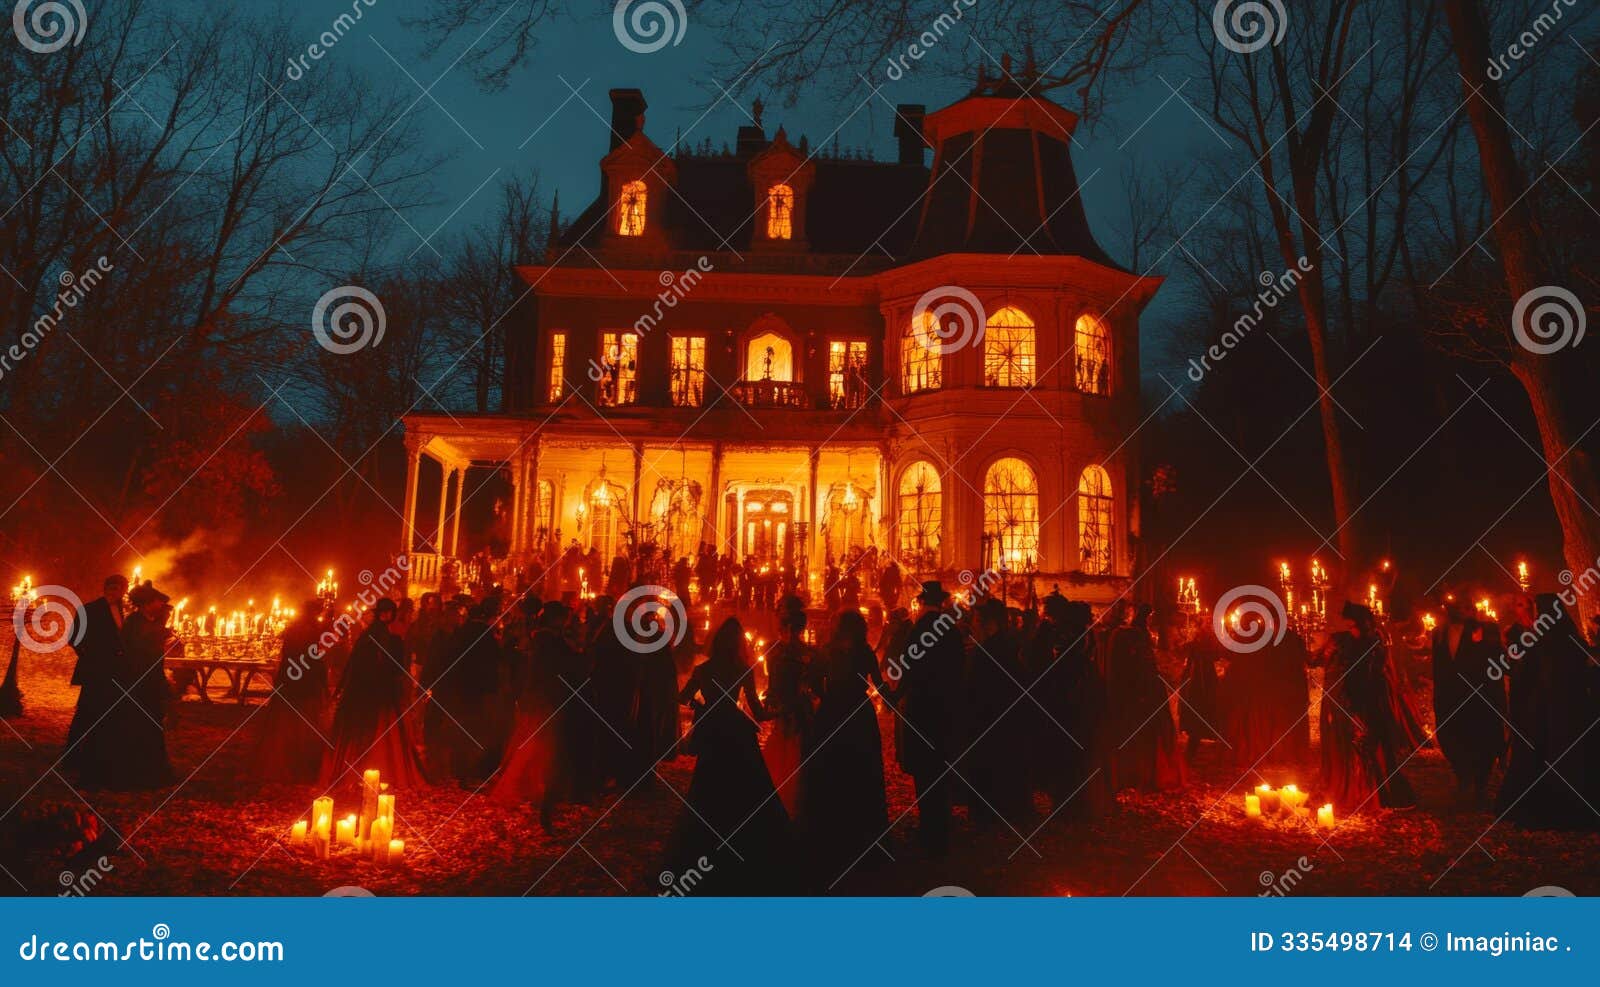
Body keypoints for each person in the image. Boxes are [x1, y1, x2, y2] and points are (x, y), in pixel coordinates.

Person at [666, 618, 797, 894]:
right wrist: (780, 711)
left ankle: (705, 843)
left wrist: (702, 706)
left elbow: (682, 697)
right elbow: (758, 712)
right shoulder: (742, 669)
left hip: (714, 729)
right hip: (736, 731)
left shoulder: (704, 669)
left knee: (708, 786)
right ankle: (749, 842)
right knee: (747, 786)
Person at [1313, 602, 1424, 812]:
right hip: (1344, 700)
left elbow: (1368, 675)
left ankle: (1369, 791)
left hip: (1365, 700)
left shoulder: (1372, 644)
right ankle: (1351, 787)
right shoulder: (1342, 641)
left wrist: (1356, 704)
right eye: (1348, 627)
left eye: (1353, 626)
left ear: (1360, 625)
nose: (1350, 630)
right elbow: (1317, 662)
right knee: (1346, 745)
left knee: (1366, 745)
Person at [1496, 595, 1593, 828]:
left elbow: (1527, 672)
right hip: (1561, 708)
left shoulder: (1545, 639)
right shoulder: (1562, 638)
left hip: (1551, 708)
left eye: (1538, 610)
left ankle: (1553, 802)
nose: (1535, 614)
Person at [802, 609, 889, 868]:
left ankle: (835, 829)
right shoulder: (862, 652)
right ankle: (858, 828)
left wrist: (825, 694)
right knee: (857, 768)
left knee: (837, 767)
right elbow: (879, 683)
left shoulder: (828, 651)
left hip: (835, 710)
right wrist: (894, 700)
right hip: (855, 712)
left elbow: (813, 681)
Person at [322, 598, 427, 788]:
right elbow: (371, 664)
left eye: (389, 612)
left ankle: (369, 768)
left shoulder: (380, 635)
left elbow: (385, 664)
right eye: (385, 612)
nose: (387, 616)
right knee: (372, 731)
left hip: (374, 691)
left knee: (374, 731)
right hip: (374, 692)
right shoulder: (378, 636)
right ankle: (368, 767)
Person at [78, 582, 175, 790]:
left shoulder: (148, 621)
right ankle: (130, 772)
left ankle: (150, 770)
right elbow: (137, 652)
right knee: (132, 727)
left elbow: (152, 644)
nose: (162, 605)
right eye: (158, 602)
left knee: (150, 727)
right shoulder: (134, 622)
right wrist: (159, 639)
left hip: (148, 683)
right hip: (136, 684)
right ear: (147, 604)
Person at [893, 581, 966, 856]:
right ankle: (942, 827)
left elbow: (907, 667)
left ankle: (930, 829)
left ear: (923, 603)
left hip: (923, 709)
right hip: (946, 710)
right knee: (940, 768)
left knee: (925, 772)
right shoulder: (952, 631)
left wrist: (896, 694)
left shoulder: (919, 629)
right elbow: (959, 668)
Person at [492, 603, 572, 831]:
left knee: (535, 740)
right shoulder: (550, 642)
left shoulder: (541, 640)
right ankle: (532, 786)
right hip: (546, 696)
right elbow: (553, 668)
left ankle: (533, 783)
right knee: (540, 742)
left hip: (540, 695)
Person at [962, 598, 1032, 831]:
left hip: (991, 722)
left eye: (976, 621)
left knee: (993, 768)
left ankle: (993, 812)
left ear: (988, 624)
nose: (972, 626)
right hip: (1003, 722)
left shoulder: (988, 653)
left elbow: (977, 690)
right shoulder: (1006, 647)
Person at [1431, 598, 1507, 806]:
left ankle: (1480, 786)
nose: (1466, 611)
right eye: (1461, 608)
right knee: (1451, 738)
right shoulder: (1439, 634)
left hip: (1478, 697)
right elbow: (1439, 666)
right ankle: (1464, 777)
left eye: (1469, 608)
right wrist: (1438, 695)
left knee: (1482, 743)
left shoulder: (1487, 630)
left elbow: (1497, 661)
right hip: (1450, 698)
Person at [1104, 604, 1186, 791]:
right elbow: (1137, 664)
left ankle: (1144, 770)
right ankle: (1139, 771)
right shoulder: (1133, 636)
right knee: (1143, 731)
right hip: (1143, 690)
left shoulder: (1139, 634)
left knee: (1152, 731)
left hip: (1150, 687)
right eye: (1149, 617)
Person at [253, 600, 331, 784]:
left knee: (286, 722)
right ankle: (296, 763)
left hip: (291, 680)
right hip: (303, 683)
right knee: (300, 724)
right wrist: (322, 681)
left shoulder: (295, 629)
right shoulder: (310, 630)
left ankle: (290, 760)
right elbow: (314, 657)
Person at [64, 575, 128, 772]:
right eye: (110, 586)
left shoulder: (125, 610)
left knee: (109, 713)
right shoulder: (89, 609)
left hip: (116, 671)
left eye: (118, 588)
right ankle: (71, 755)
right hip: (95, 671)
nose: (113, 591)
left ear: (124, 590)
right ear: (105, 588)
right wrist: (91, 657)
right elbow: (74, 638)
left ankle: (98, 754)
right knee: (86, 711)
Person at [762, 597, 814, 818]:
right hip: (796, 709)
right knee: (794, 753)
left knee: (789, 753)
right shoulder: (807, 653)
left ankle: (783, 803)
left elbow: (772, 682)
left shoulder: (778, 653)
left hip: (791, 710)